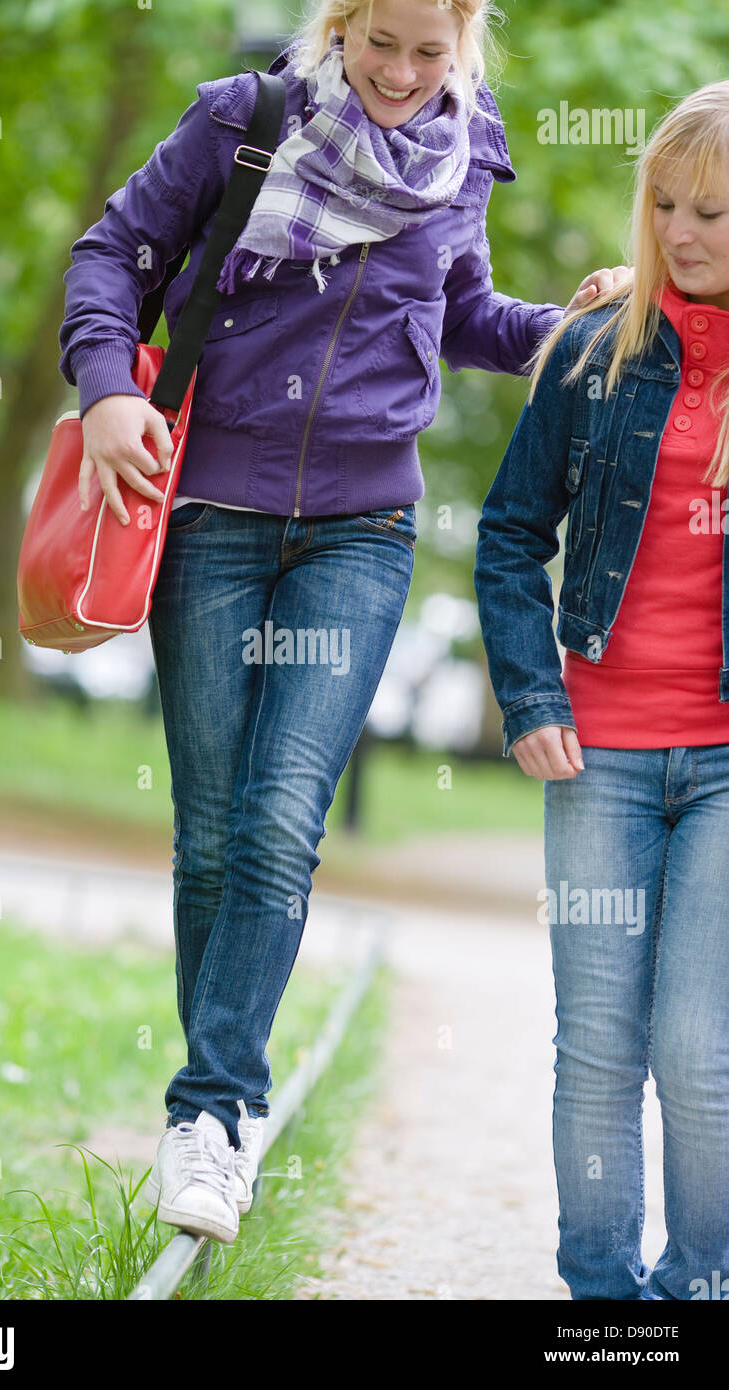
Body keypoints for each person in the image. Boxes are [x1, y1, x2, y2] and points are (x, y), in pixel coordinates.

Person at [58, 0, 625, 1247]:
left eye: (433, 54)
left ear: (463, 47)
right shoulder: (241, 120)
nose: (404, 75)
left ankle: (213, 1117)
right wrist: (107, 389)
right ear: (340, 25)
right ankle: (212, 1108)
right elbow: (111, 257)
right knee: (209, 831)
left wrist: (564, 329)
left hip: (362, 531)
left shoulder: (463, 151)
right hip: (205, 507)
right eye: (384, 44)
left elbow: (458, 310)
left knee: (277, 820)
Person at [474, 80, 729, 1300]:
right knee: (596, 1051)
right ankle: (603, 1300)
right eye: (666, 204)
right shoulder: (593, 349)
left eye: (714, 213)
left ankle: (697, 1285)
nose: (682, 233)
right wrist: (528, 697)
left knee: (696, 1053)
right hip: (599, 756)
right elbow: (508, 532)